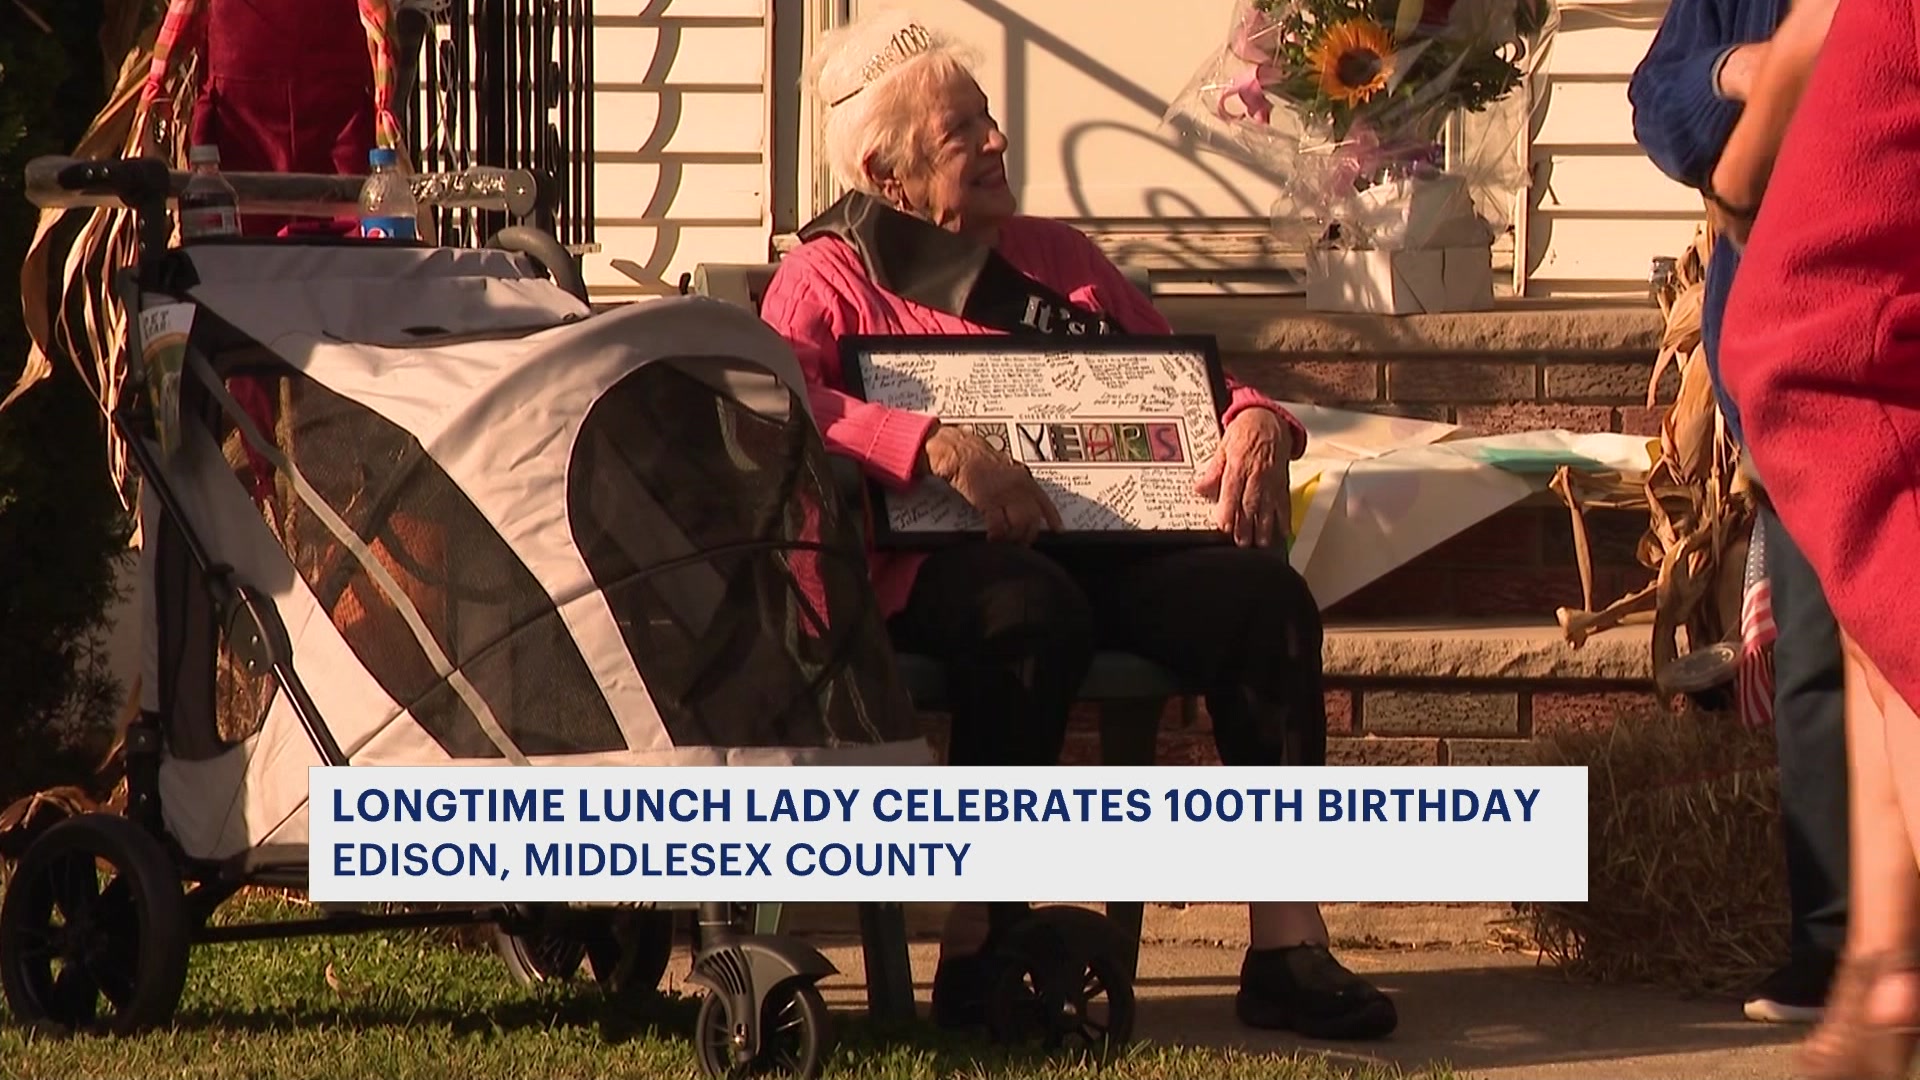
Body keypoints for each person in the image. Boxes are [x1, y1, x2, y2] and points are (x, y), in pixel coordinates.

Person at [756, 10, 1397, 1042]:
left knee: (1264, 603)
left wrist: (1260, 428)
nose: (1002, 142)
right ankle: (980, 939)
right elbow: (778, 404)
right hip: (931, 570)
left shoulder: (1056, 256)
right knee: (1030, 611)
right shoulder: (824, 277)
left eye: (991, 119)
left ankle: (1286, 942)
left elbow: (1195, 385)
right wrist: (928, 444)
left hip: (1109, 543)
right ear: (888, 172)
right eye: (967, 132)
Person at [1628, 0, 1849, 1024]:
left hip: (1881, 339)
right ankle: (1836, 944)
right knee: (1814, 659)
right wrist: (1744, 70)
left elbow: (1734, 188)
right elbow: (1662, 113)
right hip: (1795, 371)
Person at [1718, 0, 1920, 1071]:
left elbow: (1808, 47)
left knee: (1889, 649)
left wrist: (1743, 187)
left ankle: (1879, 978)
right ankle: (1878, 978)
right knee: (1886, 642)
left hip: (1841, 343)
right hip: (1843, 352)